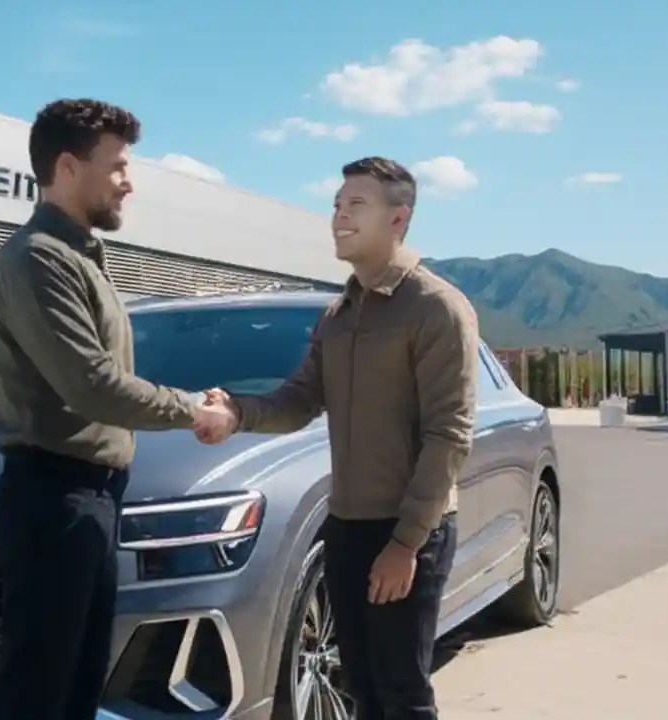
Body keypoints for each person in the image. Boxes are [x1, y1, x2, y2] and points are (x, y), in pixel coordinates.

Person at [0, 97, 236, 720]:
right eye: (117, 165)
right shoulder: (40, 258)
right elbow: (93, 385)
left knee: (74, 687)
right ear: (69, 167)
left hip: (87, 500)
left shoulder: (81, 259)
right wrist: (192, 410)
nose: (128, 181)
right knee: (38, 692)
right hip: (54, 501)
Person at [200, 156, 480, 719]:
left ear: (398, 219)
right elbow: (299, 399)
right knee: (358, 684)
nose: (338, 217)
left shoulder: (436, 308)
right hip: (346, 527)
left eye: (356, 205)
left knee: (400, 692)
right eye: (336, 205)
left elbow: (449, 434)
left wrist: (405, 545)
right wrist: (236, 411)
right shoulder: (339, 313)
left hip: (407, 532)